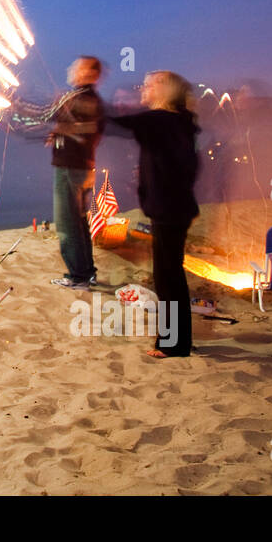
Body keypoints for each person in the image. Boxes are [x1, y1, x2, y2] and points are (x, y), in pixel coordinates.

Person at [107, 71, 199, 358]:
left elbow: (118, 121)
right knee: (171, 275)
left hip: (170, 209)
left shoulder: (162, 121)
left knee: (168, 277)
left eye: (148, 84)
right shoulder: (176, 122)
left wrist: (83, 106)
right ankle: (178, 341)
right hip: (173, 208)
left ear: (163, 89)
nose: (142, 89)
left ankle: (174, 345)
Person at [9, 57, 106, 289]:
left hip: (70, 170)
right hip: (84, 168)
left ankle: (78, 277)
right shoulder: (93, 100)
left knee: (67, 223)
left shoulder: (74, 98)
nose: (70, 69)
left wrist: (13, 100)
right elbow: (84, 130)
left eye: (77, 67)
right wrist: (61, 134)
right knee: (80, 221)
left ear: (90, 73)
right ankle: (87, 271)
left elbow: (43, 113)